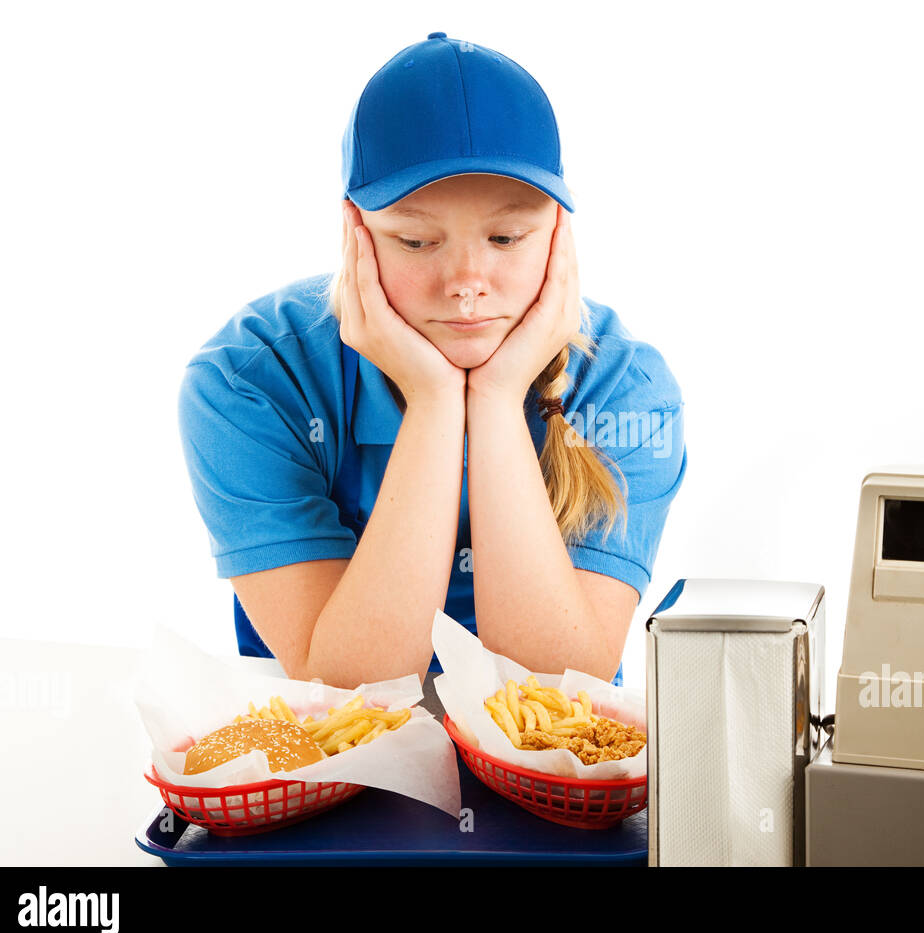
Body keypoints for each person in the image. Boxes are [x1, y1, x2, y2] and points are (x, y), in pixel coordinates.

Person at [176, 32, 687, 691]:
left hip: (551, 795)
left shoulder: (628, 392)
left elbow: (557, 696)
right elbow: (348, 689)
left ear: (559, 231)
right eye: (417, 240)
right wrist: (435, 401)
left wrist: (499, 400)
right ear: (354, 233)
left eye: (507, 237)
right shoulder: (249, 381)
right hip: (328, 779)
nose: (467, 281)